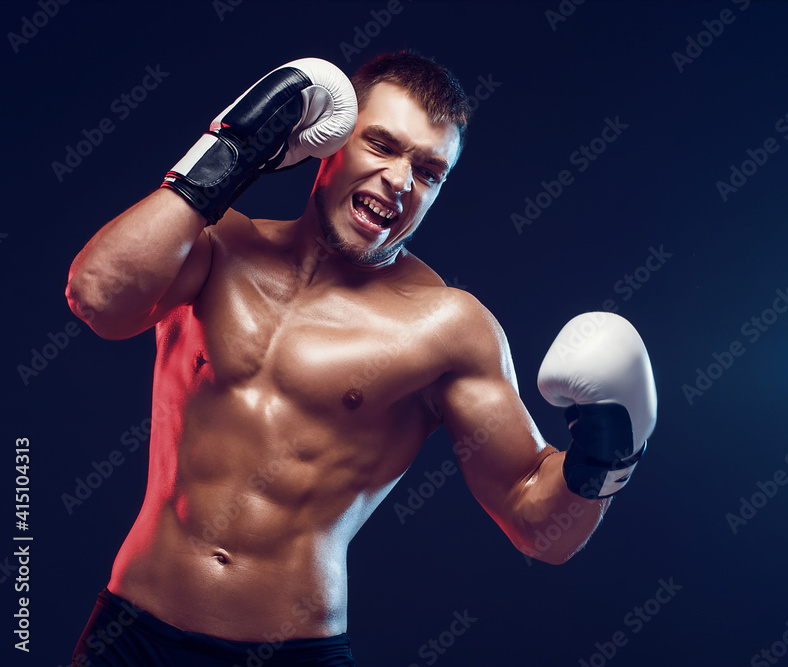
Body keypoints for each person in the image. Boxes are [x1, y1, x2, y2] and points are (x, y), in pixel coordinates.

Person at [65, 50, 657, 666]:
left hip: (293, 653)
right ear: (328, 141)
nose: (401, 181)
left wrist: (608, 456)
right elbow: (97, 297)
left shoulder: (446, 326)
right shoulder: (216, 247)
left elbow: (538, 525)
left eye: (428, 171)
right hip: (130, 635)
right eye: (381, 145)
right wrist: (232, 151)